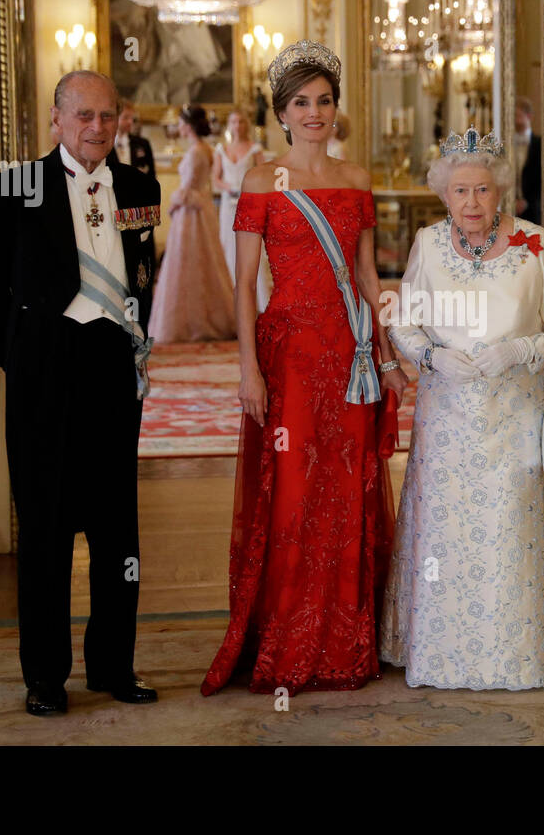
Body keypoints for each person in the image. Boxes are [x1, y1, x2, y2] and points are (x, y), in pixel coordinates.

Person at [200, 40, 408, 696]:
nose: (313, 113)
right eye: (300, 103)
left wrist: (393, 349)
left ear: (335, 110)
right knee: (292, 497)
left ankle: (345, 643)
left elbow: (369, 276)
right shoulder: (260, 179)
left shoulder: (357, 178)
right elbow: (243, 285)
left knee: (346, 494)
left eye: (323, 102)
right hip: (288, 356)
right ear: (281, 114)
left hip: (347, 356)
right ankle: (288, 639)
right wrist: (247, 371)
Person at [0, 70, 161, 716]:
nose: (96, 128)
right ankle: (45, 678)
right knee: (46, 537)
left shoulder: (139, 188)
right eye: (83, 116)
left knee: (117, 537)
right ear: (55, 118)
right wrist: (21, 358)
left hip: (112, 376)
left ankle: (113, 666)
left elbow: (142, 277)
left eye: (107, 116)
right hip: (42, 380)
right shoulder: (9, 190)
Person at [381, 127, 544, 690]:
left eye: (484, 190)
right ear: (444, 194)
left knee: (507, 529)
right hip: (445, 416)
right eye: (461, 191)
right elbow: (403, 320)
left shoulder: (534, 242)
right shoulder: (427, 243)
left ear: (502, 193)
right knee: (445, 534)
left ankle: (513, 655)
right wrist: (431, 356)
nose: (472, 202)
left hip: (513, 414)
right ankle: (440, 655)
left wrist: (523, 349)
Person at [147, 105, 237, 342]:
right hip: (200, 209)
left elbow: (187, 188)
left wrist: (172, 203)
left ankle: (189, 323)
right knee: (204, 260)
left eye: (180, 122)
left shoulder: (197, 151)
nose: (178, 127)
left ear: (188, 125)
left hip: (190, 212)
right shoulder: (205, 149)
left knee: (188, 261)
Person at [212, 104, 272, 310]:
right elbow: (215, 179)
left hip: (249, 204)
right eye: (233, 122)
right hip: (228, 206)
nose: (237, 126)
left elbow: (264, 175)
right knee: (228, 248)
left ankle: (260, 304)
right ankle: (231, 305)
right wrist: (227, 187)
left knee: (253, 250)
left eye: (240, 121)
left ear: (246, 124)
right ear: (229, 125)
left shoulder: (255, 149)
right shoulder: (222, 149)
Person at [110, 99, 156, 178]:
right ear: (115, 118)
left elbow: (151, 175)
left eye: (132, 118)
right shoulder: (105, 144)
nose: (130, 122)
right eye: (126, 117)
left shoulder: (143, 144)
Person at [513, 98, 542, 223]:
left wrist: (527, 202)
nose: (515, 120)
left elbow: (542, 177)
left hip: (532, 209)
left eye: (518, 115)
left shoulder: (539, 144)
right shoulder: (506, 143)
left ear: (528, 116)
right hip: (508, 207)